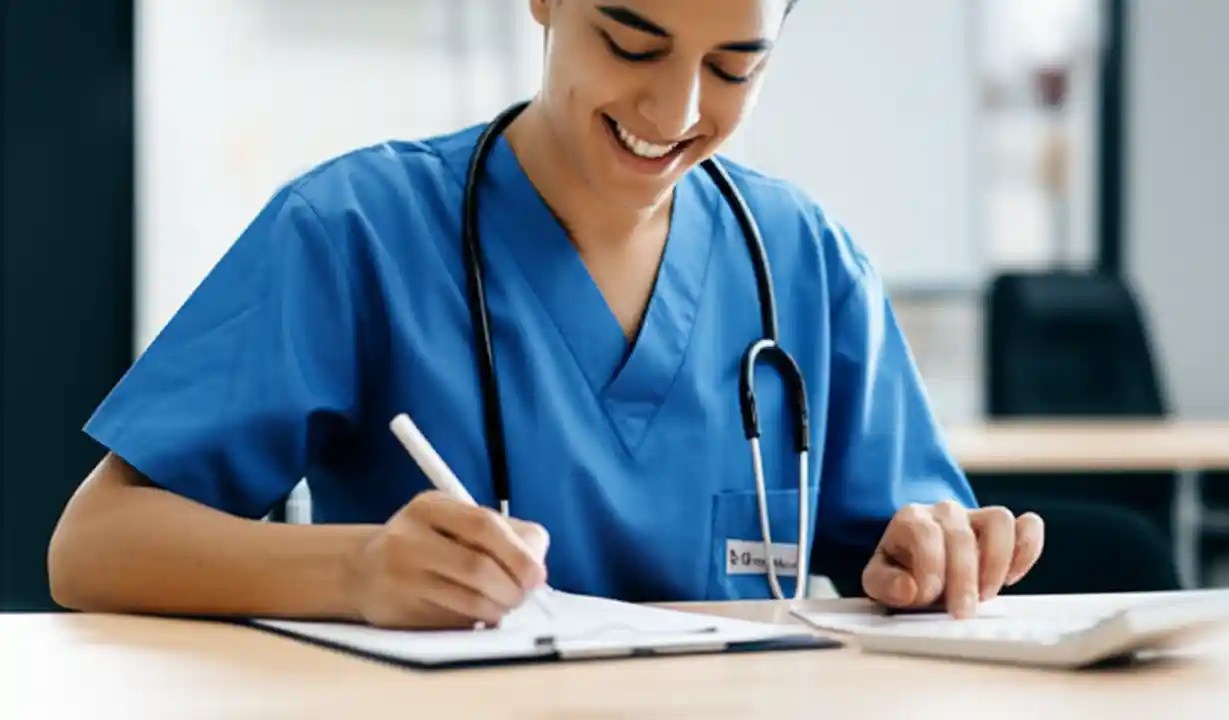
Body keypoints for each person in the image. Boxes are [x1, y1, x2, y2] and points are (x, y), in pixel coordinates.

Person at [48, 0, 1044, 629]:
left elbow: (900, 555)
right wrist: (356, 570)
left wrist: (933, 560)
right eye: (629, 40)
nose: (674, 107)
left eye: (734, 67)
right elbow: (93, 545)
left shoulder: (805, 263)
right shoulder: (356, 231)